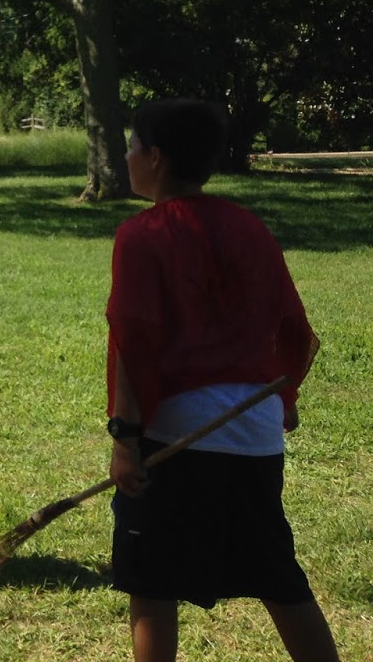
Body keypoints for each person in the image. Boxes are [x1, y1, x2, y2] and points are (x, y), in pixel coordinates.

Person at [106, 98, 339, 662]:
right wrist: (283, 396)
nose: (129, 156)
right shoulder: (248, 226)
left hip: (175, 434)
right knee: (278, 577)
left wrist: (125, 439)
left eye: (134, 146)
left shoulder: (141, 235)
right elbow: (289, 322)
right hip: (255, 431)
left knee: (152, 584)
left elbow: (133, 341)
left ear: (156, 158)